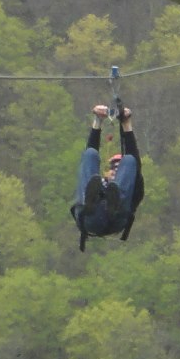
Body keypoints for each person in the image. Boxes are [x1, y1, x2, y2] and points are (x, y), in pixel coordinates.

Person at [71, 102, 144, 250]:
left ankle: (114, 203)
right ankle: (91, 202)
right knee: (90, 154)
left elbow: (134, 160)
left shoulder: (131, 186)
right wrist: (98, 121)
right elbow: (90, 153)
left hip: (116, 219)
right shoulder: (98, 184)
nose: (115, 170)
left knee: (130, 160)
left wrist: (126, 124)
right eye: (113, 167)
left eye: (118, 168)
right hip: (89, 215)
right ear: (107, 171)